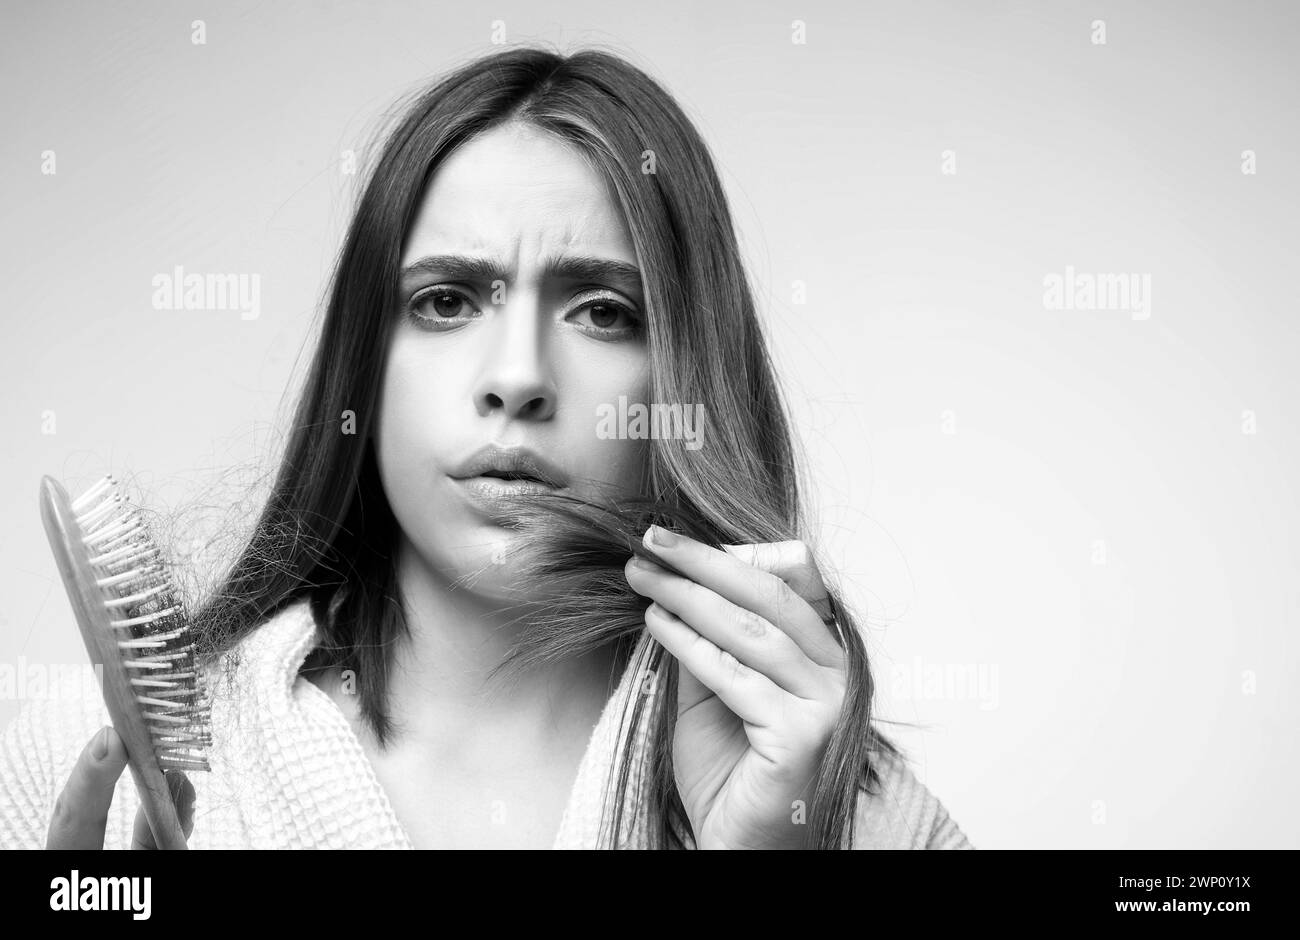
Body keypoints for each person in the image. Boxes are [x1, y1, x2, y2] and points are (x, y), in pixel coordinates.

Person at [2, 45, 972, 850]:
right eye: (445, 301)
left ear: (686, 378)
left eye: (602, 311)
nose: (516, 377)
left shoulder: (857, 818)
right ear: (363, 364)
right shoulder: (71, 760)